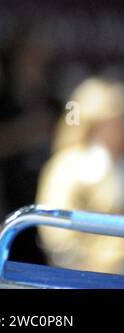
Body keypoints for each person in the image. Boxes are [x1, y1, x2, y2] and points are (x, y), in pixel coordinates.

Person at [36, 78, 124, 275]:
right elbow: (56, 234)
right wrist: (94, 267)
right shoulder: (68, 166)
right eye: (115, 121)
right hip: (87, 275)